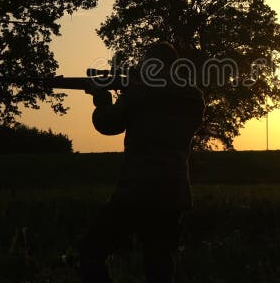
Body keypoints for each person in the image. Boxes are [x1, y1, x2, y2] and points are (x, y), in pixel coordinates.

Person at [79, 42, 205, 283]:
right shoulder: (193, 98)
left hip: (136, 190)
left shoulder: (139, 93)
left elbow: (108, 124)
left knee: (91, 251)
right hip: (173, 192)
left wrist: (102, 99)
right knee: (159, 267)